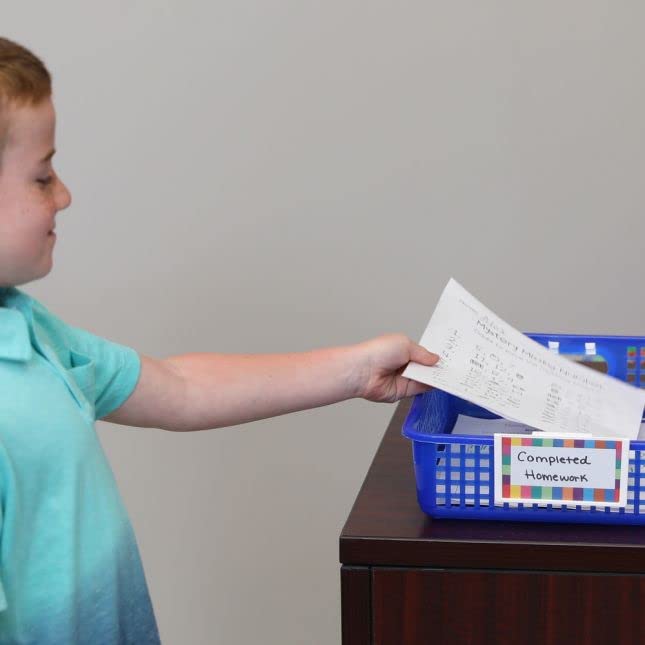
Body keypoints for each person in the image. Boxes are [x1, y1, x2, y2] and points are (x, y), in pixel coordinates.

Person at [0, 36, 438, 644]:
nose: (65, 194)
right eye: (42, 175)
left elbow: (177, 388)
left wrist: (356, 369)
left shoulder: (27, 327)